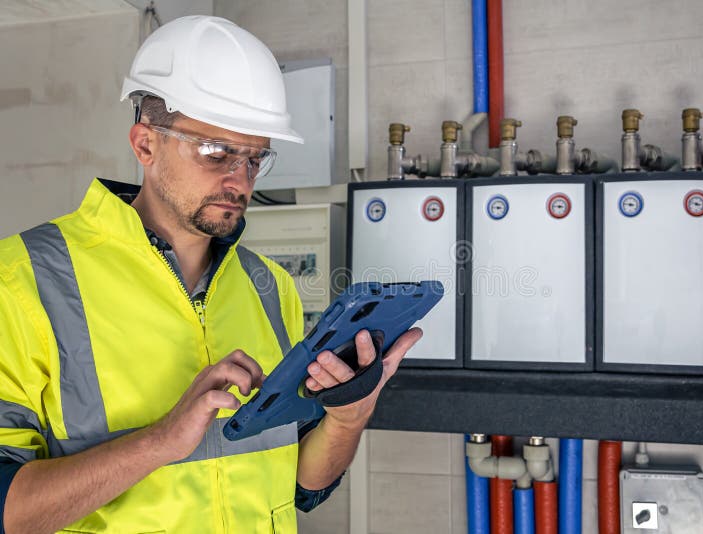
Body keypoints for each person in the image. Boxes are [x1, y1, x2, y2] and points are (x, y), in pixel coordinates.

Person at [0, 15, 421, 534]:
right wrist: (162, 440)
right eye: (215, 152)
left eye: (254, 158)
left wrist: (348, 417)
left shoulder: (270, 287)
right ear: (145, 145)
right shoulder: (22, 280)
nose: (238, 179)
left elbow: (300, 487)